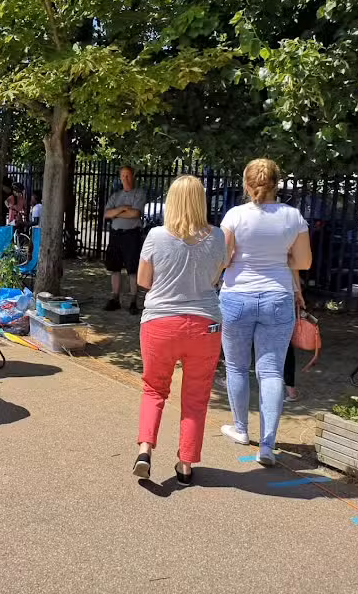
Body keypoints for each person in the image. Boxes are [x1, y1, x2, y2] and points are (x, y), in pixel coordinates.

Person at [132, 176, 227, 485]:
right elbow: (215, 276)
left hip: (161, 321)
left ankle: (145, 449)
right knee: (196, 396)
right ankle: (185, 463)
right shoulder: (217, 237)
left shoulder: (156, 236)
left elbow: (144, 281)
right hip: (205, 323)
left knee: (154, 388)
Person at [219, 158, 312, 466]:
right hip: (277, 296)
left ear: (246, 184)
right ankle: (268, 445)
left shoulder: (235, 215)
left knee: (236, 367)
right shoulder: (292, 216)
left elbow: (223, 258)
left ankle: (241, 428)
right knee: (271, 371)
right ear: (277, 183)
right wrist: (281, 256)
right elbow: (303, 262)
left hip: (237, 296)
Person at [103, 165, 148, 314]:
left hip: (131, 235)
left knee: (132, 268)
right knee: (114, 267)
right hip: (116, 234)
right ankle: (114, 298)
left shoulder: (138, 194)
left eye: (128, 175)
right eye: (123, 176)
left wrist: (117, 212)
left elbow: (135, 213)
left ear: (132, 176)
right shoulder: (116, 196)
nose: (125, 179)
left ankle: (133, 300)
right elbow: (107, 214)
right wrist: (123, 208)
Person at [284, 269, 303, 402]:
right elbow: (295, 265)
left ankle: (232, 378)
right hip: (282, 294)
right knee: (286, 346)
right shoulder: (285, 246)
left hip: (244, 293)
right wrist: (298, 292)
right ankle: (290, 390)